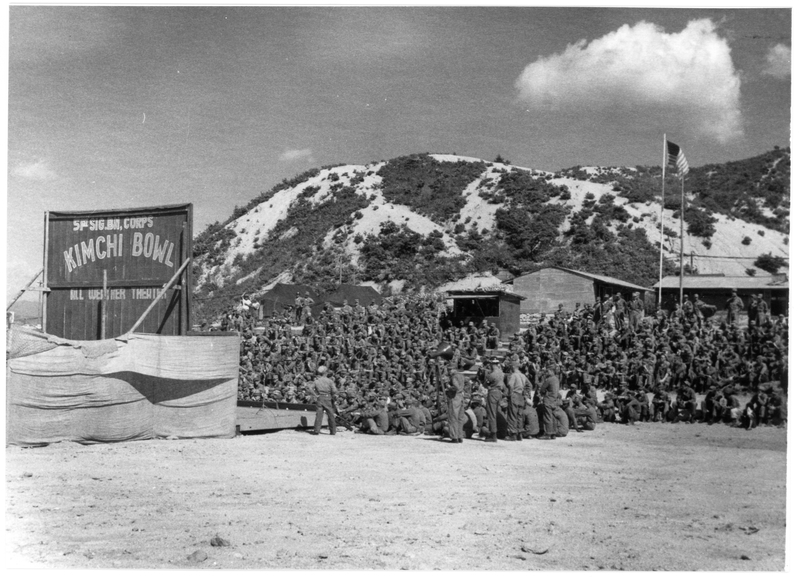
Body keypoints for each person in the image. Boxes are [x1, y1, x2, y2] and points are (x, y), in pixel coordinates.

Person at [505, 359, 532, 440]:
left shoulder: (514, 375)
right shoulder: (523, 375)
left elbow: (510, 385)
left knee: (512, 415)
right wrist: (526, 393)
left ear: (513, 367)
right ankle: (519, 434)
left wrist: (510, 394)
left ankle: (512, 434)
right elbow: (529, 385)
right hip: (521, 396)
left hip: (515, 395)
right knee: (519, 416)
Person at [483, 357, 505, 442]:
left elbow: (485, 384)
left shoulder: (492, 374)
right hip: (499, 392)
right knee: (496, 412)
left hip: (492, 392)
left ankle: (493, 434)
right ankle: (495, 431)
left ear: (492, 364)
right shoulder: (501, 372)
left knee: (491, 414)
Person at [537, 362, 560, 440]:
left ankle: (548, 433)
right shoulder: (556, 379)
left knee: (547, 417)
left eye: (547, 371)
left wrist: (544, 392)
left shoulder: (549, 379)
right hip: (554, 400)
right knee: (553, 417)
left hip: (548, 399)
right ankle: (553, 433)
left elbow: (542, 389)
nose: (546, 373)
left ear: (551, 371)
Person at [311, 366, 337, 435]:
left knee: (319, 415)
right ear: (326, 373)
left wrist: (315, 395)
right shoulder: (330, 381)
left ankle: (316, 430)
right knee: (330, 414)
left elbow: (310, 388)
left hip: (319, 398)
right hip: (327, 398)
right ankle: (333, 431)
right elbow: (334, 391)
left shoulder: (316, 381)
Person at [445, 363, 466, 443]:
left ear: (454, 369)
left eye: (450, 370)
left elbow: (455, 387)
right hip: (461, 397)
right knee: (460, 418)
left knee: (453, 417)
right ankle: (460, 436)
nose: (449, 371)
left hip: (454, 397)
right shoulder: (461, 376)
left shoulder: (454, 377)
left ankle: (454, 437)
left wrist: (448, 386)